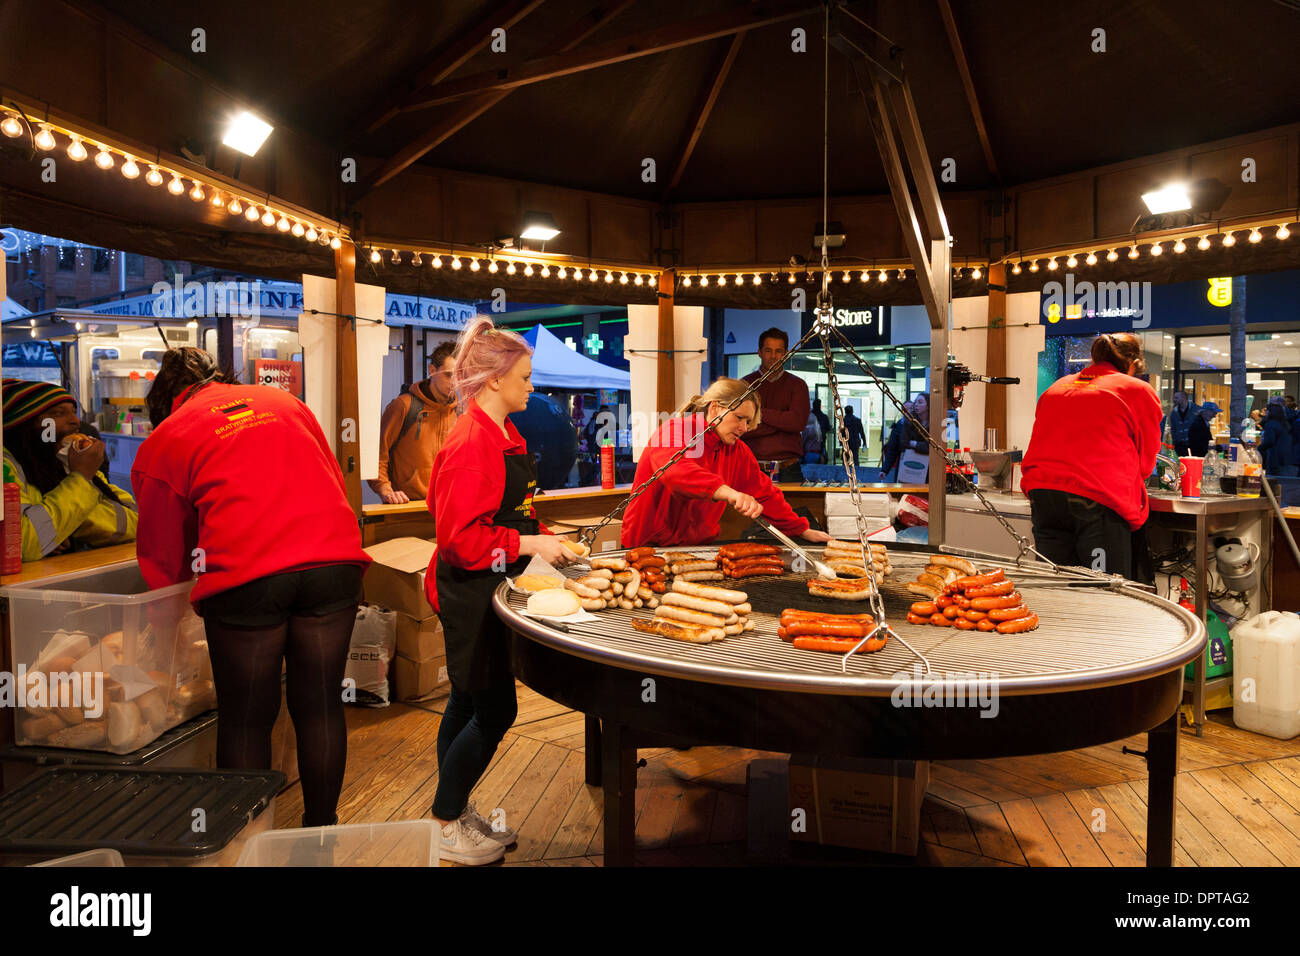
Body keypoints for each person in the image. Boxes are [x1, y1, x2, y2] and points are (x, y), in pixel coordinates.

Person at [132, 348, 370, 831]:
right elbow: (329, 475)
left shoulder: (166, 437)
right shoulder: (283, 402)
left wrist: (163, 630)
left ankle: (247, 843)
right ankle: (321, 836)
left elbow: (162, 554)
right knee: (321, 705)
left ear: (166, 401)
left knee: (246, 717)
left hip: (247, 574)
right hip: (334, 561)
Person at [425, 317, 578, 865]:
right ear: (493, 380)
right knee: (494, 711)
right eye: (526, 377)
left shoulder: (504, 434)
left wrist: (545, 538)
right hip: (471, 589)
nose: (532, 386)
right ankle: (444, 824)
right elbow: (462, 541)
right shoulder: (471, 442)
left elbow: (508, 511)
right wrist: (531, 544)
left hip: (492, 582)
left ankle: (454, 809)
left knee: (465, 700)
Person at [621, 378, 834, 548]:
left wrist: (801, 529)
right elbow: (676, 471)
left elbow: (765, 494)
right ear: (715, 409)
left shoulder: (737, 450)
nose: (744, 428)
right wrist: (729, 492)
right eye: (739, 417)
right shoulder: (677, 430)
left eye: (749, 422)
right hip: (647, 547)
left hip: (696, 548)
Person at [1020, 333, 1161, 580]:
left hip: (1043, 496)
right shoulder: (1136, 389)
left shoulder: (1058, 386)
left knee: (1055, 583)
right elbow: (1147, 459)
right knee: (1103, 587)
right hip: (1096, 500)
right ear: (1133, 364)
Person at [2, 378, 137, 561]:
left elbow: (134, 522)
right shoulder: (6, 466)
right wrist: (80, 479)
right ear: (24, 424)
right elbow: (19, 544)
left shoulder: (69, 461)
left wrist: (62, 527)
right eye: (57, 413)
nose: (74, 421)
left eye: (74, 412)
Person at [369, 341, 458, 504]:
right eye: (449, 374)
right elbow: (377, 454)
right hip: (407, 506)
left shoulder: (460, 411)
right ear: (432, 370)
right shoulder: (404, 406)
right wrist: (385, 489)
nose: (455, 382)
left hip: (448, 505)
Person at [740, 328, 811, 482]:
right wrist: (783, 423)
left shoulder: (798, 385)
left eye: (778, 351)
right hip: (752, 467)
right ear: (759, 352)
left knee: (791, 507)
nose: (773, 356)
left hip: (788, 469)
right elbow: (742, 429)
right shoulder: (744, 385)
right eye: (768, 350)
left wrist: (759, 413)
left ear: (785, 353)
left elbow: (797, 423)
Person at [1259, 401, 1297, 476]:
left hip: (1276, 459)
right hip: (1290, 459)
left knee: (1274, 483)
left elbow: (1269, 441)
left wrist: (1258, 449)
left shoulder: (1271, 424)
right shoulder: (1287, 424)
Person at [879, 402, 913, 479]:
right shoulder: (900, 424)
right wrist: (884, 470)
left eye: (910, 409)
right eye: (905, 409)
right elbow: (892, 449)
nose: (908, 411)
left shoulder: (919, 424)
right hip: (903, 462)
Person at [1162, 391, 1199, 458]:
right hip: (1180, 445)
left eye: (1176, 398)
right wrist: (1175, 442)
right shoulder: (1174, 412)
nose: (1174, 399)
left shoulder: (1196, 409)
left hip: (1194, 444)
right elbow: (1173, 429)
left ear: (1184, 397)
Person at [811, 398, 832, 462]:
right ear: (820, 406)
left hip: (809, 444)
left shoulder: (808, 416)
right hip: (821, 442)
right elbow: (828, 428)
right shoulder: (824, 417)